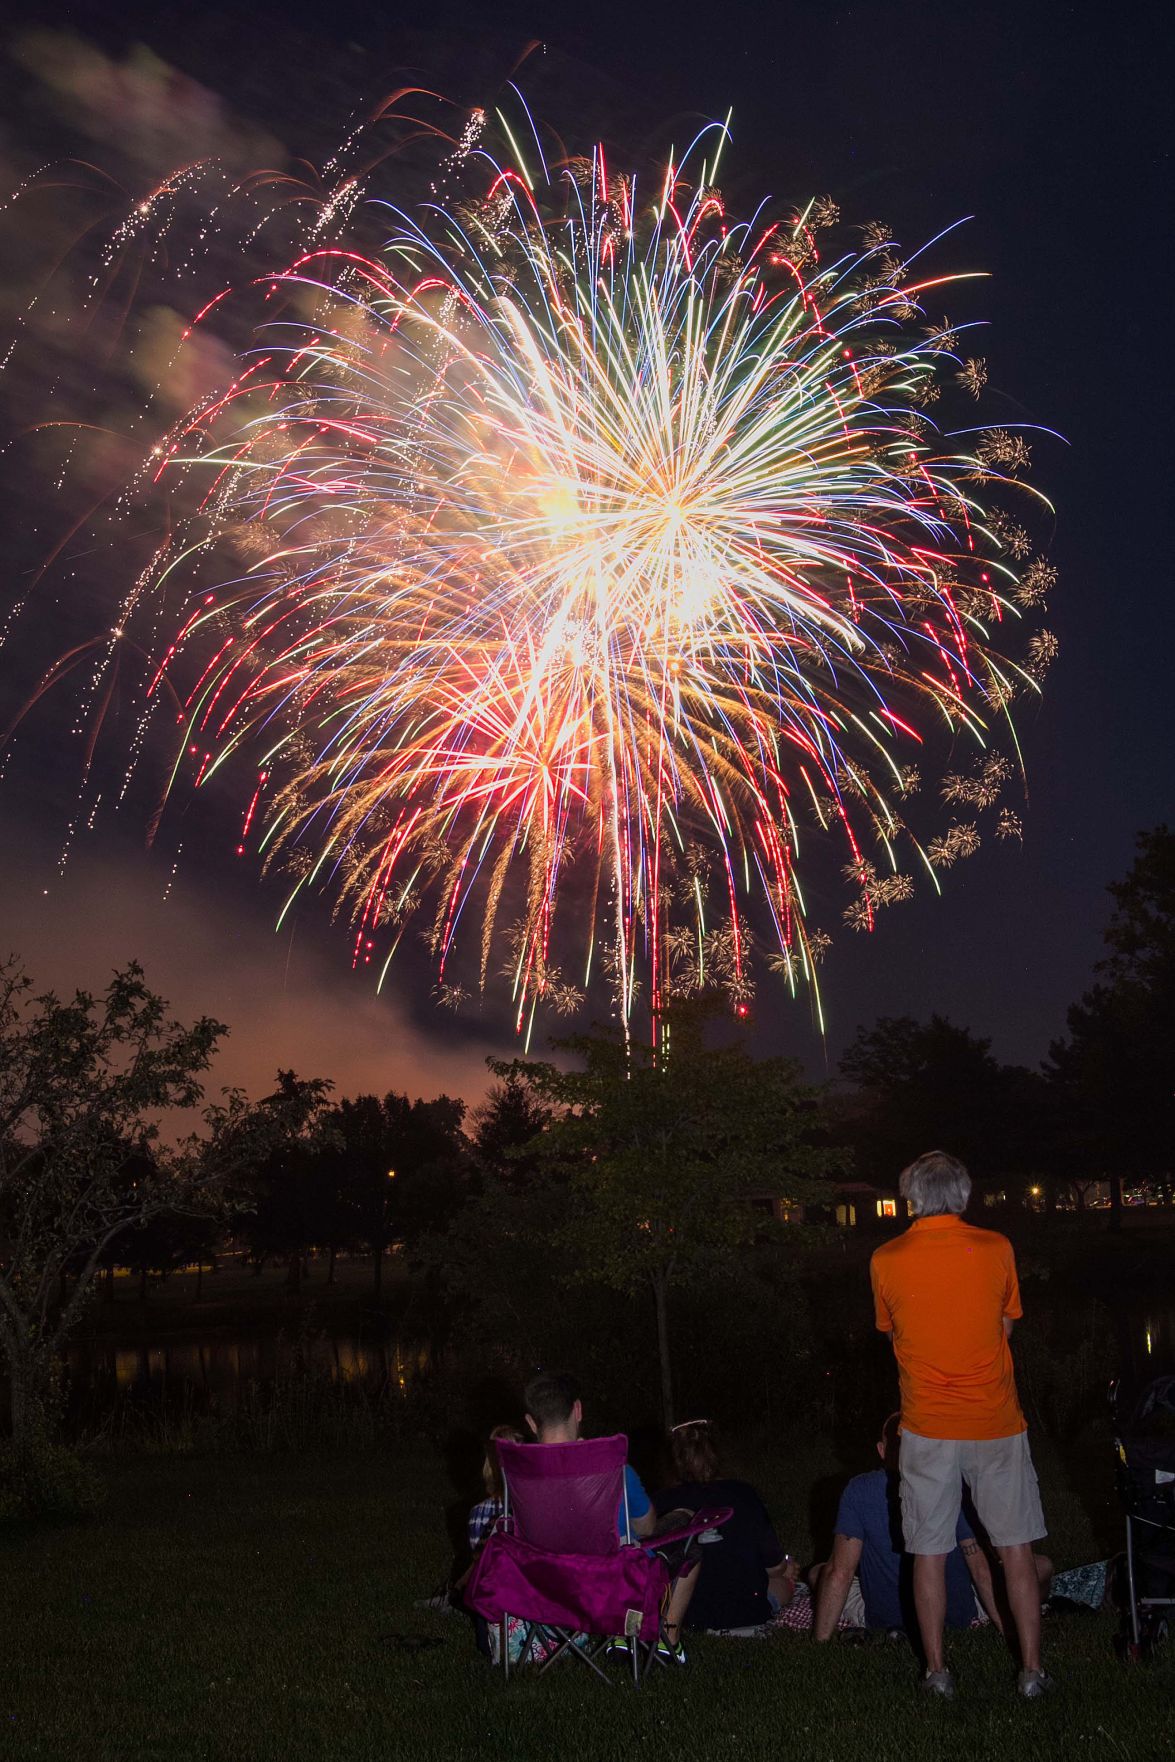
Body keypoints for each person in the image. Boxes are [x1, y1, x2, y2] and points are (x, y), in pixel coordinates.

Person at [871, 1150, 1051, 1699]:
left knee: (928, 1550)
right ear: (964, 1194)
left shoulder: (886, 1257)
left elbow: (893, 1332)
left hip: (926, 1426)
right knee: (1015, 1548)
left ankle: (937, 1672)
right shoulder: (997, 1248)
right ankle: (1032, 1672)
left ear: (912, 1199)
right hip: (995, 1422)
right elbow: (1005, 1328)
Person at [811, 1413, 1052, 1642]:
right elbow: (979, 1567)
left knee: (818, 1573)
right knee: (1040, 1566)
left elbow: (840, 1572)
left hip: (882, 1618)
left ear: (882, 1451)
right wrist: (1007, 1630)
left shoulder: (859, 1490)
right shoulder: (951, 1484)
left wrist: (820, 1641)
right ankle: (1027, 1609)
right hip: (958, 1614)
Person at [522, 1371, 699, 1660]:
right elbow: (647, 1527)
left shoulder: (523, 1477)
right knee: (689, 1535)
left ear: (531, 1422)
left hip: (548, 1587)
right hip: (611, 1589)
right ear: (578, 1410)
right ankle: (665, 1636)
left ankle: (623, 1633)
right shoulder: (613, 1469)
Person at [653, 1418, 796, 1633]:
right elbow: (774, 1567)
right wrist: (786, 1567)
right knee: (783, 1584)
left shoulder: (659, 1501)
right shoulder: (743, 1494)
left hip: (683, 1611)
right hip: (743, 1609)